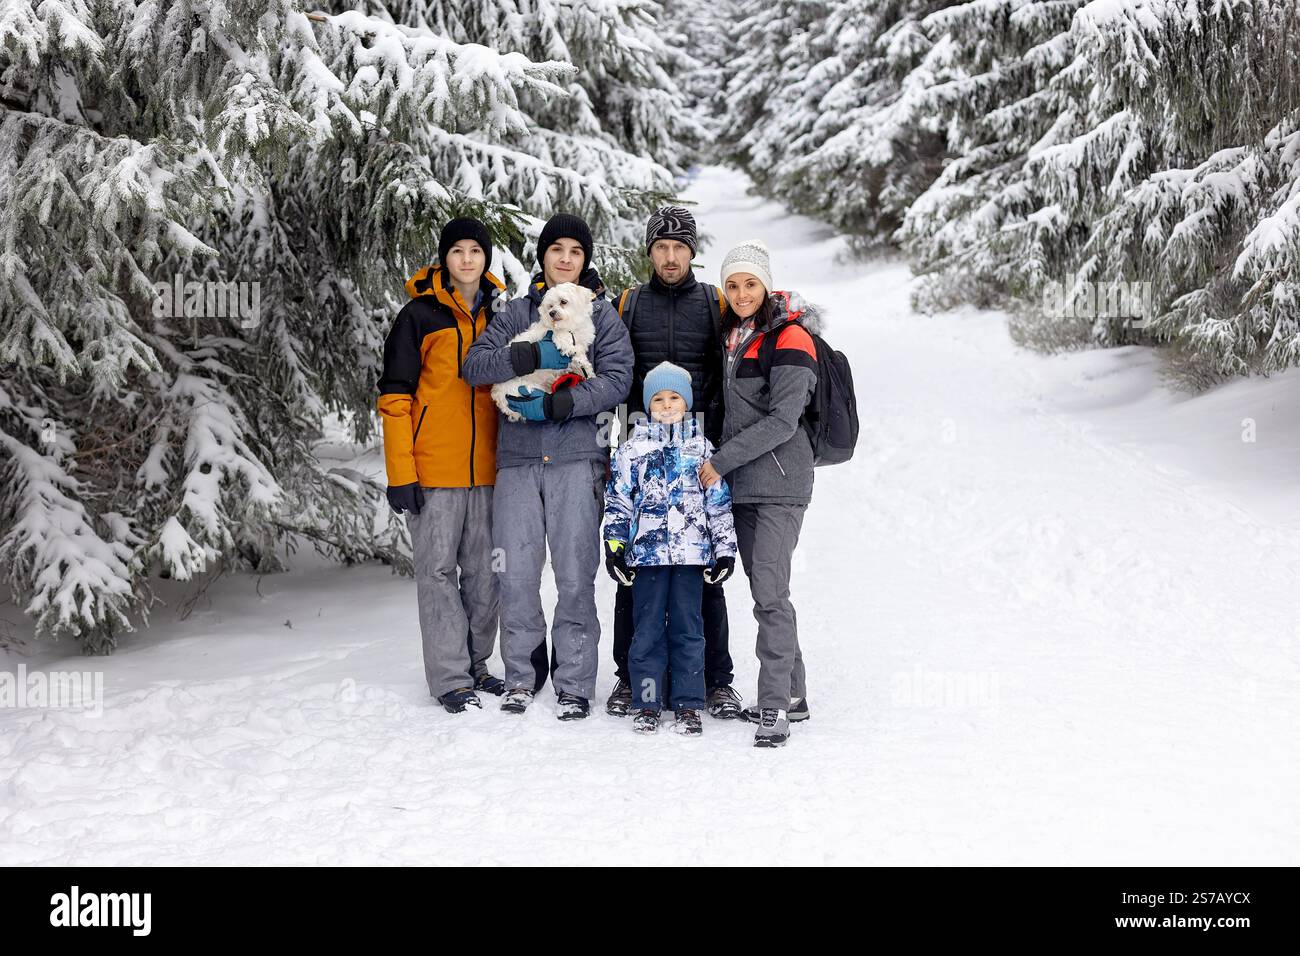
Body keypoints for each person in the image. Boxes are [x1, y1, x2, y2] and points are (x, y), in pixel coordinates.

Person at [462, 213, 633, 720]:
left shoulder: (602, 317)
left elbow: (620, 378)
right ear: (543, 257)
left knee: (576, 575)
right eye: (556, 249)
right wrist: (527, 356)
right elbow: (475, 365)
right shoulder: (516, 312)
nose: (564, 258)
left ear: (585, 261)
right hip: (516, 461)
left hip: (578, 458)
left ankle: (575, 681)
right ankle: (522, 674)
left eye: (575, 252)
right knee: (514, 573)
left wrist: (566, 404)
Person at [605, 205, 744, 720]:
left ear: (691, 253)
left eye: (678, 248)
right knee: (635, 576)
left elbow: (735, 355)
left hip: (699, 449)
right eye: (660, 248)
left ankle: (716, 682)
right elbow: (612, 366)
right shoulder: (630, 303)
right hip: (643, 450)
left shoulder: (712, 302)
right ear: (650, 253)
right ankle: (629, 680)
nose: (670, 257)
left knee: (703, 572)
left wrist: (723, 446)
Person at [377, 217, 505, 714]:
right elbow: (394, 398)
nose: (468, 259)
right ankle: (450, 678)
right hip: (433, 473)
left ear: (486, 259)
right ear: (445, 258)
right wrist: (401, 473)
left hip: (491, 473)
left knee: (486, 573)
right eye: (458, 251)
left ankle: (477, 664)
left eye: (476, 250)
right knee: (436, 574)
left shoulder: (502, 316)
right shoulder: (419, 317)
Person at [699, 239, 819, 748]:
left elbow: (783, 420)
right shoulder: (733, 336)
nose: (741, 292)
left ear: (766, 285)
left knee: (770, 595)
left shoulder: (791, 338)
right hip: (745, 486)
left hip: (780, 485)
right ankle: (794, 694)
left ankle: (773, 708)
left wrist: (719, 462)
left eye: (750, 283)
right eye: (732, 285)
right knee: (765, 592)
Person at [603, 362, 737, 736]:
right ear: (647, 405)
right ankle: (647, 700)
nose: (666, 405)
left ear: (686, 402)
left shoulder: (702, 448)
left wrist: (725, 550)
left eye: (674, 397)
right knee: (646, 629)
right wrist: (615, 547)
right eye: (658, 399)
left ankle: (688, 703)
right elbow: (619, 501)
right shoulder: (631, 450)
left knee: (688, 629)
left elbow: (718, 503)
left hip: (692, 557)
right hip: (647, 557)